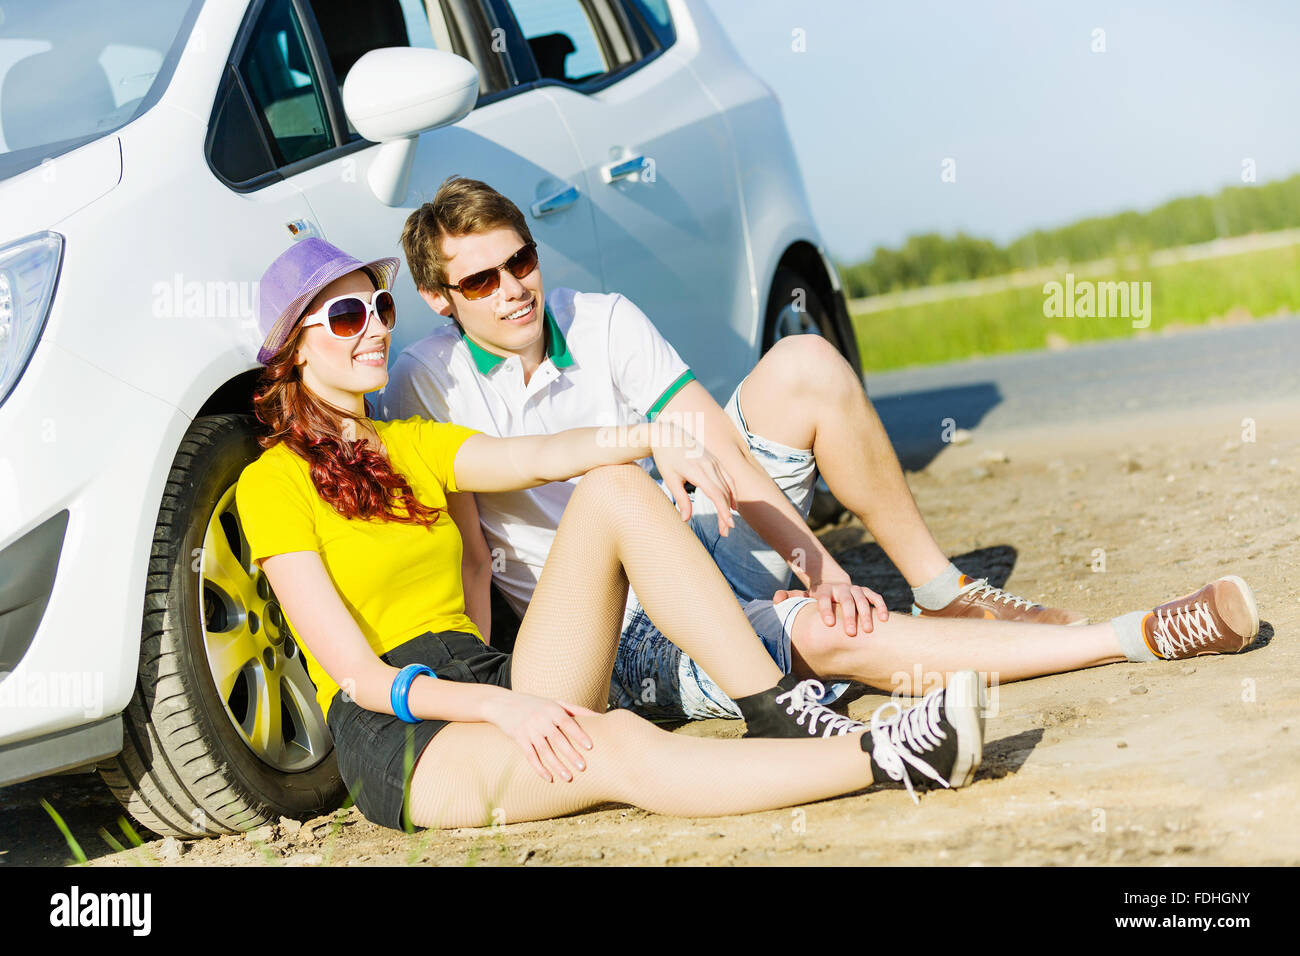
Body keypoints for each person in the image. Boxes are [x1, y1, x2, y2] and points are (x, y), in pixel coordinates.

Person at [383, 176, 1261, 722]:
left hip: (696, 528)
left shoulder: (600, 318)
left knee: (804, 362)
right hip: (621, 618)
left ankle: (944, 591)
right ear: (439, 298)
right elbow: (465, 551)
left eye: (522, 261)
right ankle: (1136, 634)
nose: (513, 290)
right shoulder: (425, 384)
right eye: (481, 280)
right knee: (823, 639)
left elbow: (710, 431)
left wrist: (816, 558)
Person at [236, 236, 993, 832]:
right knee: (619, 744)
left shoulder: (414, 444)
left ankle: (772, 705)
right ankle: (892, 753)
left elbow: (540, 455)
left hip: (490, 674)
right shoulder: (270, 484)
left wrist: (651, 434)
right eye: (345, 317)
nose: (373, 328)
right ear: (295, 351)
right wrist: (504, 709)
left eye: (380, 308)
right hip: (402, 728)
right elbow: (360, 677)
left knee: (612, 489)